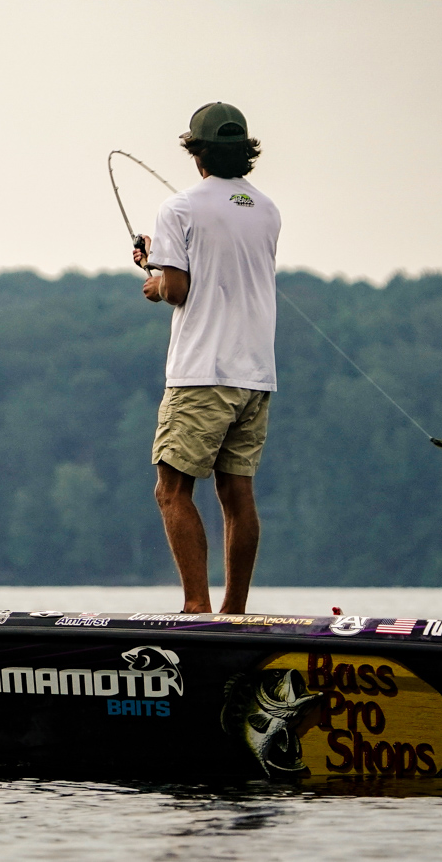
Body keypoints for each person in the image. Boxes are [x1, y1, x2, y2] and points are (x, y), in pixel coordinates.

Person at [132, 102, 281, 615]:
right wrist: (161, 260)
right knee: (238, 494)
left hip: (202, 373)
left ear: (196, 152)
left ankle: (196, 606)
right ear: (245, 151)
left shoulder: (179, 208)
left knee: (171, 490)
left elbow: (176, 289)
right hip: (256, 374)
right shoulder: (267, 209)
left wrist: (155, 281)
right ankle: (233, 612)